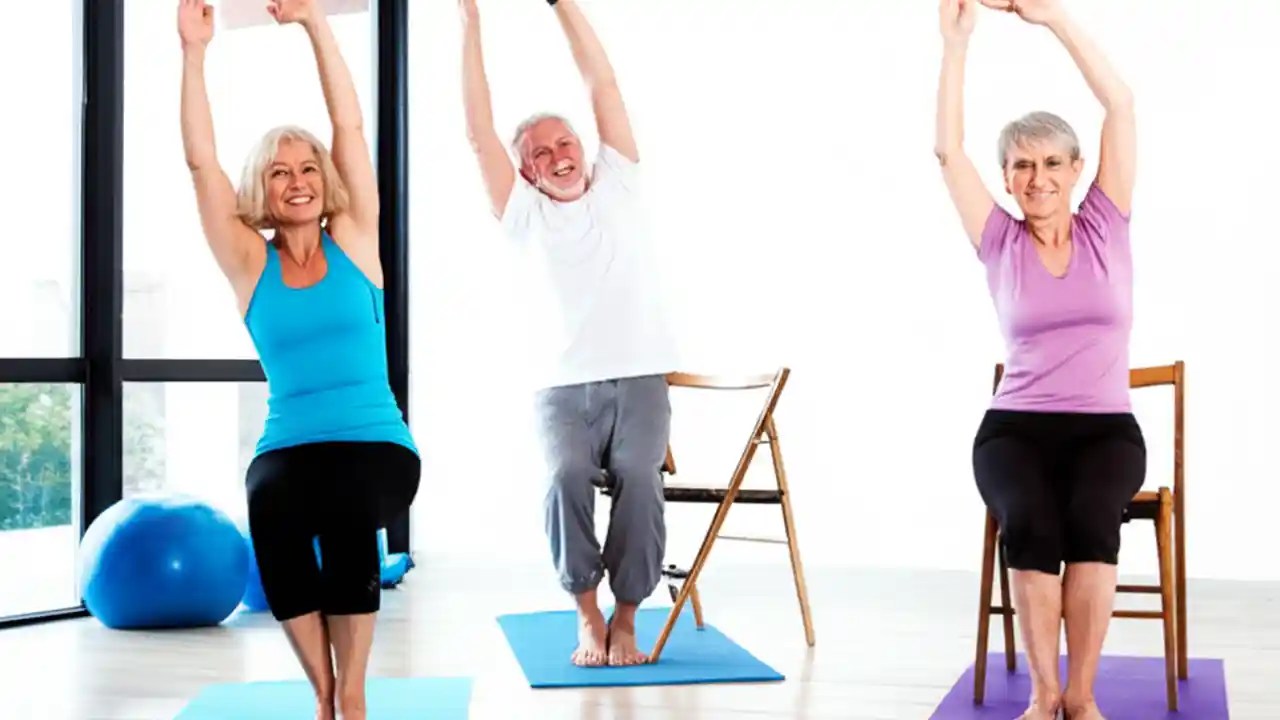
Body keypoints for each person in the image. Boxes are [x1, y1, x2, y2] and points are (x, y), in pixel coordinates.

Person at [177, 1, 419, 718]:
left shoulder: (356, 240)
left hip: (378, 445)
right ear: (265, 188)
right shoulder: (251, 264)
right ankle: (323, 691)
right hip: (289, 446)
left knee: (347, 504)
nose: (298, 180)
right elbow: (200, 163)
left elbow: (349, 126)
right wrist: (194, 54)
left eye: (307, 167)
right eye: (280, 171)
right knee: (272, 502)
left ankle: (356, 694)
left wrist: (316, 24)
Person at [935, 1, 1142, 718]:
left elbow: (1120, 100)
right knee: (1030, 523)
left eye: (1053, 162)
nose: (1038, 177)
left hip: (1105, 428)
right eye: (1022, 165)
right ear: (1008, 176)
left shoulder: (1106, 224)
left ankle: (1080, 698)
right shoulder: (998, 239)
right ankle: (1044, 695)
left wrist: (1052, 18)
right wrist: (955, 45)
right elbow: (947, 153)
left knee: (1091, 519)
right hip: (1015, 429)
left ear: (1078, 168)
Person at [458, 0, 679, 667]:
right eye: (540, 153)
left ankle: (629, 618)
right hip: (562, 387)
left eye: (565, 143)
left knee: (641, 476)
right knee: (564, 476)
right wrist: (470, 23)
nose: (557, 156)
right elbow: (477, 132)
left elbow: (601, 84)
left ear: (584, 149)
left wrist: (560, 5)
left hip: (640, 374)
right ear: (525, 170)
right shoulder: (523, 214)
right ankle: (587, 615)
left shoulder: (619, 181)